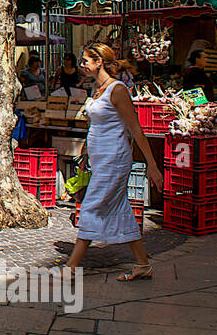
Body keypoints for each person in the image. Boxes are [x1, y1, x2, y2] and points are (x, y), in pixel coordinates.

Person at [62, 43, 164, 282]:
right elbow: (95, 126)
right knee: (121, 210)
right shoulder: (96, 89)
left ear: (99, 62)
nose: (82, 64)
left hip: (114, 158)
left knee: (91, 206)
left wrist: (152, 165)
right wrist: (85, 153)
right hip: (99, 158)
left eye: (86, 60)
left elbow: (136, 129)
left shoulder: (117, 90)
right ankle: (142, 264)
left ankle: (72, 266)